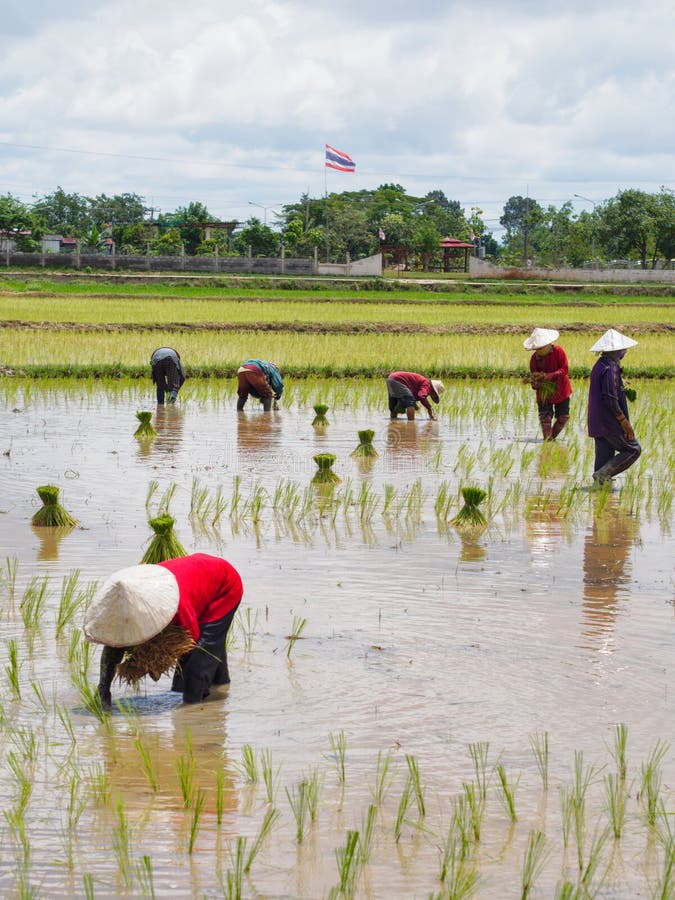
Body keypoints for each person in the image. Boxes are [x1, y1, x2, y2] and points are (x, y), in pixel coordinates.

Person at [84, 553, 243, 707]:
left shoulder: (175, 606)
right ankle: (221, 684)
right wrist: (103, 688)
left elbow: (191, 639)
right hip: (197, 576)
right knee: (209, 651)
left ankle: (192, 707)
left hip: (224, 586)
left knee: (201, 653)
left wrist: (153, 663)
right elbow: (114, 646)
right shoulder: (127, 603)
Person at [587, 328, 641, 485]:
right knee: (633, 449)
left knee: (604, 460)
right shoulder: (610, 367)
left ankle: (601, 494)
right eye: (623, 349)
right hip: (609, 422)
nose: (625, 352)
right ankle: (603, 474)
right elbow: (610, 398)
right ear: (616, 351)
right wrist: (624, 421)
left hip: (597, 421)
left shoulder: (600, 365)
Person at [523, 327, 572, 441]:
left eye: (541, 348)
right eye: (537, 349)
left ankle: (550, 439)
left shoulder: (558, 351)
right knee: (545, 418)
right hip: (544, 393)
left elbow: (564, 369)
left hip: (561, 389)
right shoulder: (534, 359)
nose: (539, 351)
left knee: (563, 417)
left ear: (548, 344)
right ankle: (548, 441)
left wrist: (548, 376)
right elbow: (534, 379)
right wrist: (535, 383)